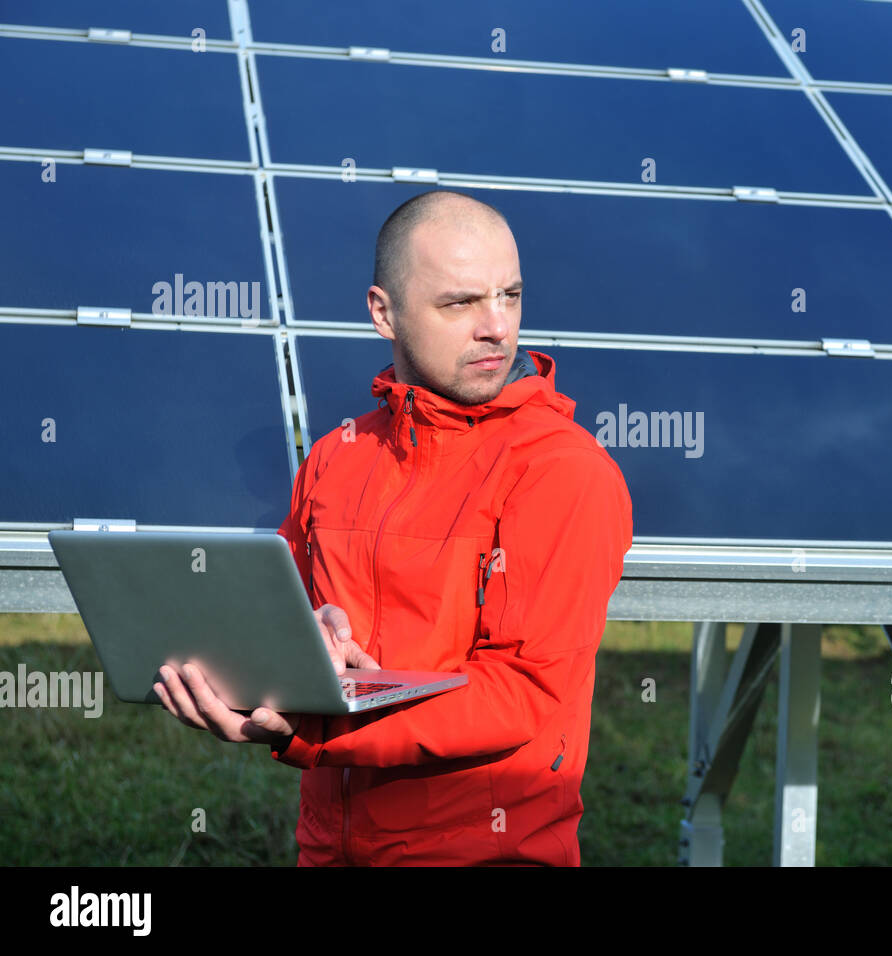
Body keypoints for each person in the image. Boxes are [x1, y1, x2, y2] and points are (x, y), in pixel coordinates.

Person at [153, 189, 634, 865]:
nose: (496, 327)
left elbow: (522, 693)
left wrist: (312, 728)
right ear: (384, 312)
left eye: (510, 295)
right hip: (327, 851)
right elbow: (280, 619)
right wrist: (287, 652)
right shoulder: (336, 458)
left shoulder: (562, 472)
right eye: (460, 303)